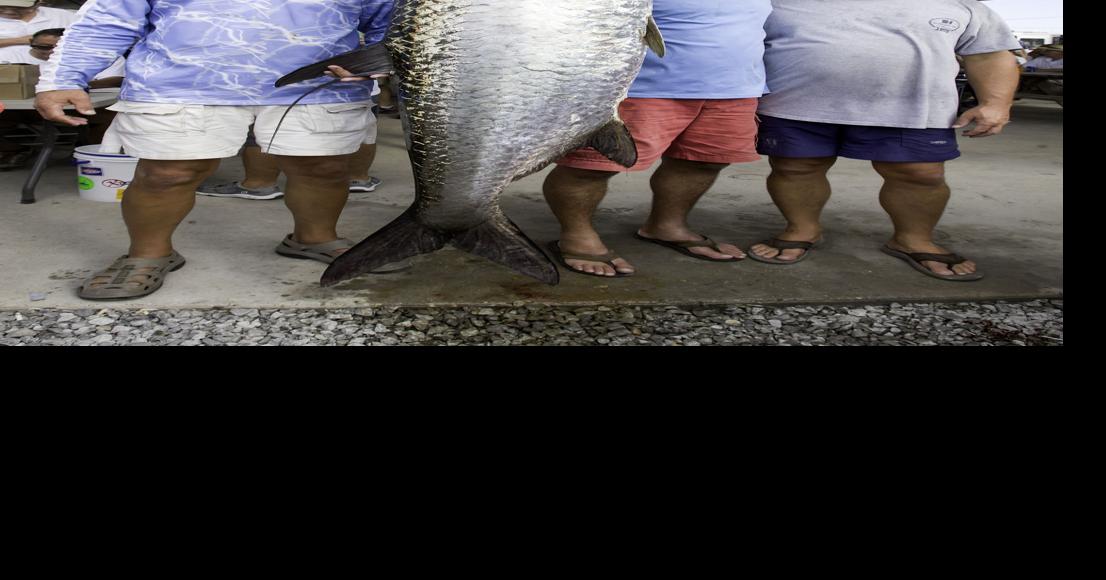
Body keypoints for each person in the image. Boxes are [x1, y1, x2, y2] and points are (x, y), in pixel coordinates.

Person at [35, 0, 394, 300]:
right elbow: (107, 18)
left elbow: (391, 20)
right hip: (182, 81)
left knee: (324, 169)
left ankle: (314, 238)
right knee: (166, 174)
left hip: (319, 82)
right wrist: (64, 77)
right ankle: (147, 254)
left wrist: (381, 62)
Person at [749, 0, 1021, 282]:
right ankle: (802, 229)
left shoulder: (961, 5)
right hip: (793, 102)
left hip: (915, 107)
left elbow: (989, 54)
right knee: (795, 168)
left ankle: (913, 239)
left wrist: (996, 103)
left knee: (921, 175)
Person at [541, 0, 772, 277]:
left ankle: (666, 226)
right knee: (590, 168)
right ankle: (576, 236)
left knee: (703, 162)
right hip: (640, 88)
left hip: (735, 88)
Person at [0, 0, 76, 48]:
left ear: (38, 3)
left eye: (18, 8)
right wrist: (20, 40)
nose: (8, 12)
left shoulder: (62, 15)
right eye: (2, 7)